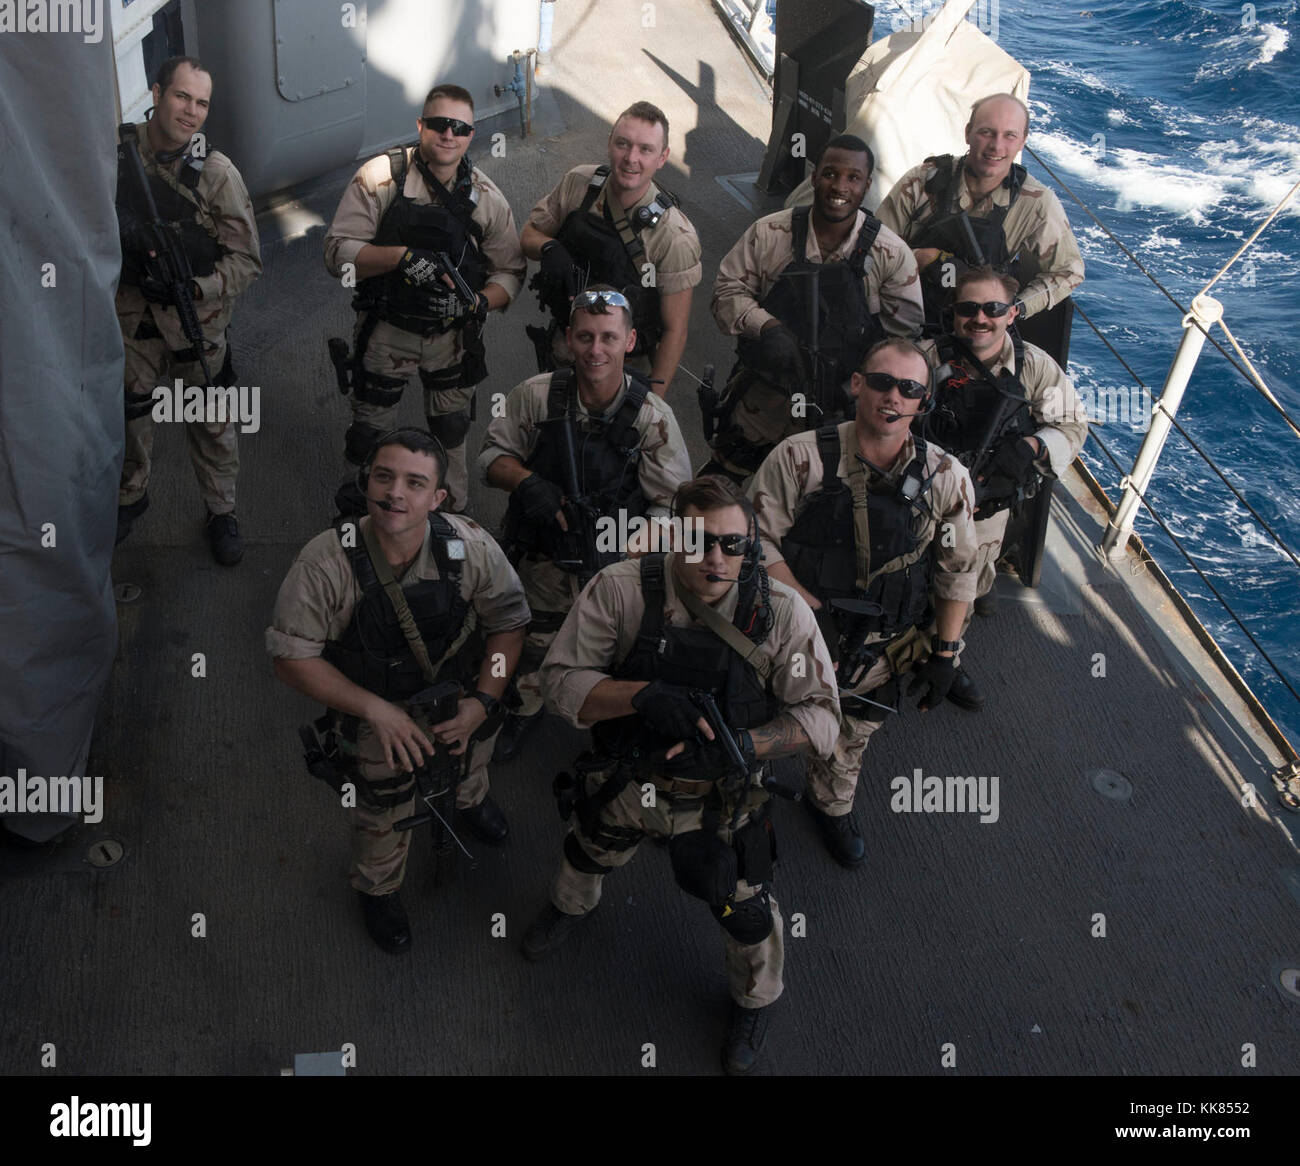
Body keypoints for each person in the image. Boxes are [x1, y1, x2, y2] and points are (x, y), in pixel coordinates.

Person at [521, 475, 841, 1075]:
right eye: (698, 541)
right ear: (671, 535)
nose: (714, 559)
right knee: (587, 851)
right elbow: (559, 685)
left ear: (751, 548)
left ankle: (757, 998)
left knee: (743, 911)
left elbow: (823, 717)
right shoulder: (620, 591)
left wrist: (745, 745)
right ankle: (570, 907)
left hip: (723, 797)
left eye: (733, 545)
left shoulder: (782, 613)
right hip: (626, 779)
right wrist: (640, 696)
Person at [267, 429, 529, 953]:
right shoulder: (325, 562)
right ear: (367, 482)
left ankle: (469, 800)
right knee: (383, 809)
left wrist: (483, 701)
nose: (395, 494)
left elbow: (509, 624)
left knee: (471, 761)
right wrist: (376, 711)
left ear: (438, 498)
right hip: (375, 717)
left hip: (458, 701)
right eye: (384, 477)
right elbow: (292, 659)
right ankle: (379, 887)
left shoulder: (469, 546)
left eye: (414, 482)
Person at [748, 338, 978, 867]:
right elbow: (755, 540)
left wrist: (946, 655)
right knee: (760, 720)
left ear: (923, 402)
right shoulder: (801, 457)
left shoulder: (946, 479)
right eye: (881, 382)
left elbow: (956, 574)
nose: (892, 396)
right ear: (857, 385)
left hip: (878, 649)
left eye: (910, 388)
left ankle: (830, 803)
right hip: (792, 634)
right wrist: (802, 607)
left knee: (851, 734)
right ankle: (746, 790)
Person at [480, 287, 692, 761]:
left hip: (616, 559)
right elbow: (490, 457)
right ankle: (526, 705)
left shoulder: (653, 418)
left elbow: (672, 505)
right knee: (534, 642)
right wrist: (526, 481)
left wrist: (631, 548)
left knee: (623, 646)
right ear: (568, 341)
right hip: (544, 558)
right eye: (585, 337)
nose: (596, 350)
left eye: (608, 338)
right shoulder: (535, 396)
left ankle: (610, 714)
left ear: (630, 341)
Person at [323, 83, 526, 512]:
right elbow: (337, 254)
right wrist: (398, 258)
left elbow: (510, 272)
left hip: (452, 338)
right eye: (437, 124)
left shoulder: (486, 199)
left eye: (459, 127)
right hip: (387, 330)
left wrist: (478, 304)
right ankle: (359, 517)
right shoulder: (383, 178)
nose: (448, 134)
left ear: (471, 134)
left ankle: (450, 519)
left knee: (451, 432)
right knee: (367, 434)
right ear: (420, 126)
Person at [704, 135, 923, 483]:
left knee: (814, 510)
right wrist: (767, 326)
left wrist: (860, 382)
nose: (840, 186)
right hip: (763, 399)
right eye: (830, 174)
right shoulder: (771, 232)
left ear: (866, 185)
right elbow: (727, 292)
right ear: (814, 177)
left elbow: (905, 343)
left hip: (837, 414)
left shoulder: (891, 256)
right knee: (716, 488)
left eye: (853, 178)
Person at [917, 266, 1088, 710]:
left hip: (984, 506)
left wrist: (1032, 445)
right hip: (922, 494)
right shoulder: (928, 357)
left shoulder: (1033, 367)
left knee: (967, 585)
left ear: (1011, 314)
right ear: (953, 315)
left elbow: (1072, 426)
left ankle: (947, 657)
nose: (980, 318)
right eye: (968, 309)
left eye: (992, 309)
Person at [115, 56, 262, 562]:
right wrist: (124, 234)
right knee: (129, 417)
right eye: (181, 96)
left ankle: (222, 512)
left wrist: (198, 289)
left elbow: (247, 262)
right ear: (156, 92)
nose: (191, 111)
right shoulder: (114, 153)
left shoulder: (217, 174)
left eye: (202, 103)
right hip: (132, 319)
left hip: (194, 323)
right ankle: (129, 497)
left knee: (211, 421)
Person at [520, 101, 701, 396]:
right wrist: (551, 247)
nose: (631, 158)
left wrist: (651, 406)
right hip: (564, 352)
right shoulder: (579, 184)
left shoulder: (674, 236)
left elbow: (674, 331)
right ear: (609, 143)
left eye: (645, 149)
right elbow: (529, 234)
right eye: (623, 144)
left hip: (625, 374)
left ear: (663, 157)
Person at [875, 94, 1084, 330]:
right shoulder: (924, 181)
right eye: (986, 132)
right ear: (967, 134)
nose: (996, 145)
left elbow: (1069, 271)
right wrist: (920, 259)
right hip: (903, 315)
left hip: (978, 329)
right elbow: (875, 250)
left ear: (1022, 142)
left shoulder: (1035, 202)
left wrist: (1014, 307)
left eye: (1009, 135)